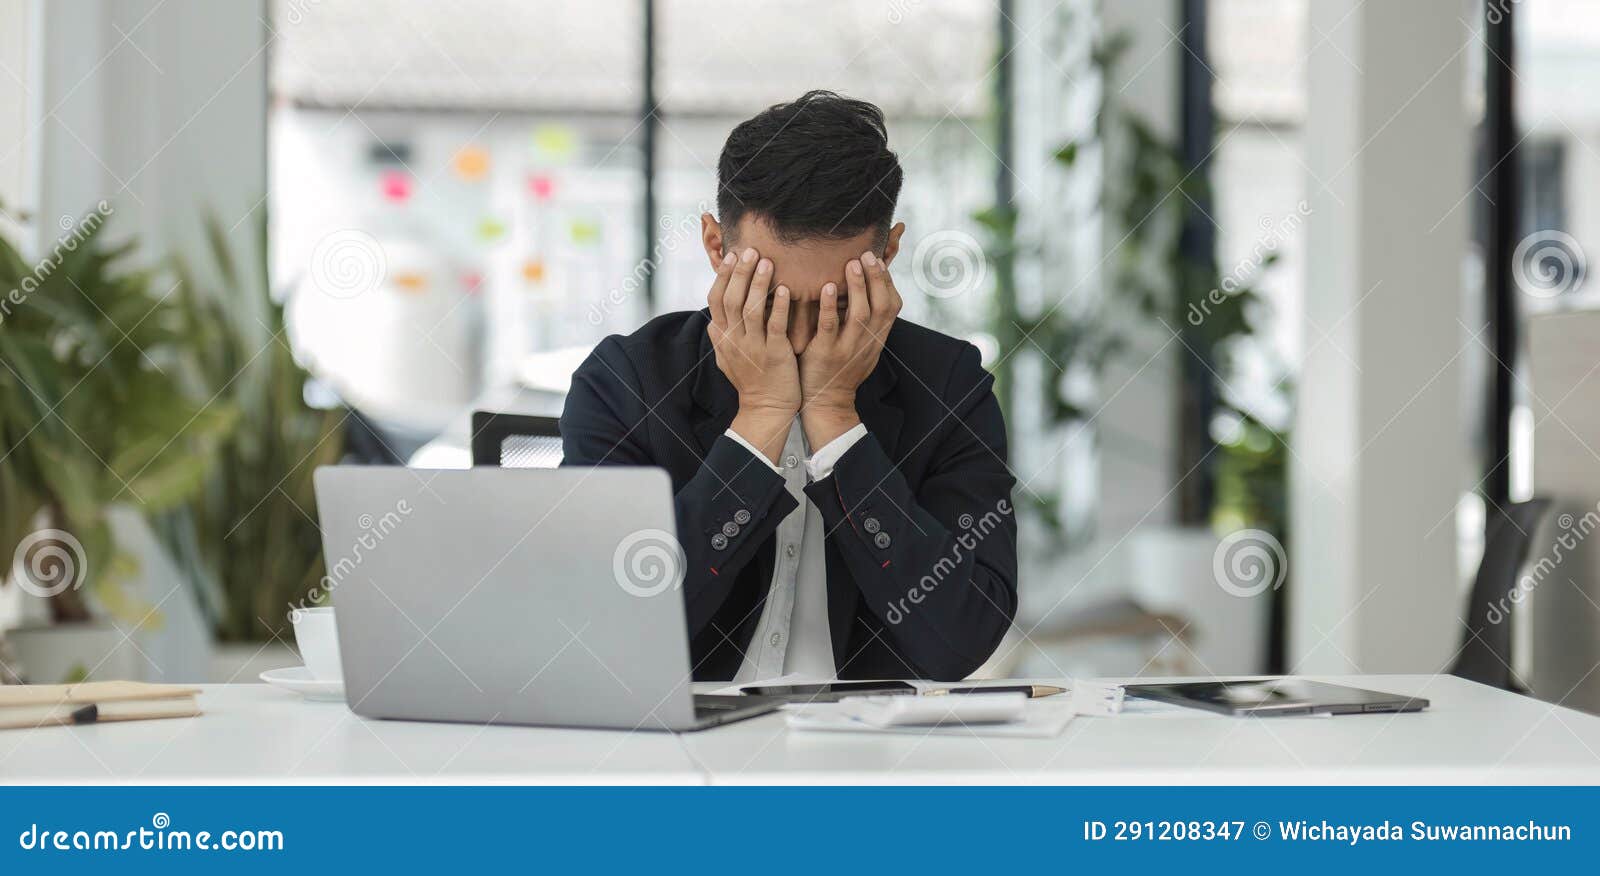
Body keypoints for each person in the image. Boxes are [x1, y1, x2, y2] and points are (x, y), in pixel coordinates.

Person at [561, 91, 1016, 681]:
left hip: (870, 759)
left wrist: (837, 420)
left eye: (837, 303)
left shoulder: (948, 386)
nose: (802, 337)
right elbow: (608, 636)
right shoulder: (625, 382)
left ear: (890, 252)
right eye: (771, 299)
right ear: (715, 247)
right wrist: (759, 420)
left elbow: (960, 643)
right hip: (678, 747)